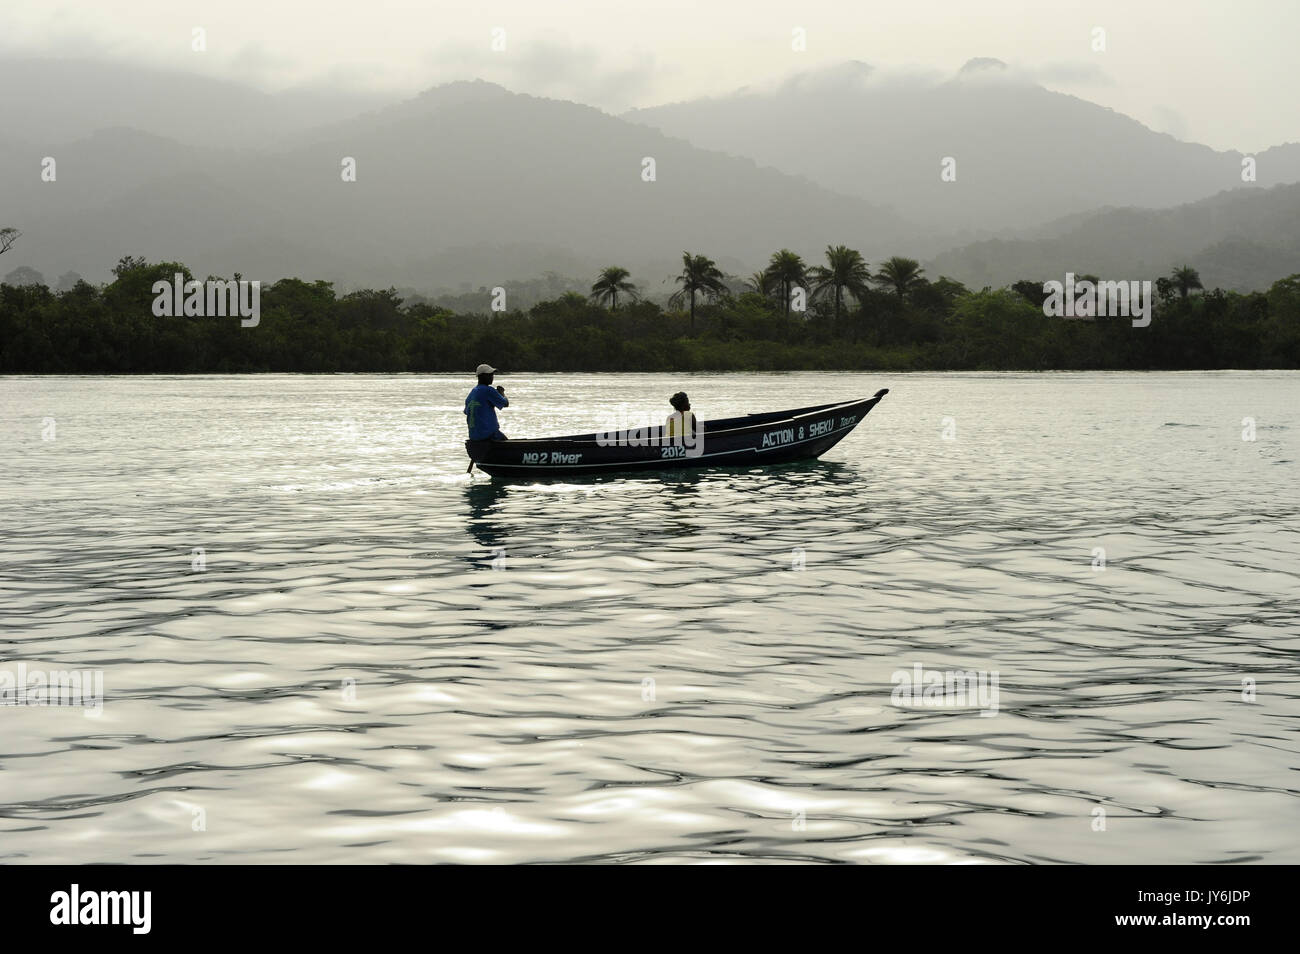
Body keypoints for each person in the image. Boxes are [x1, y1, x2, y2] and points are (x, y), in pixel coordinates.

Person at [465, 363, 509, 440]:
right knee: (507, 444)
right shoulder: (488, 390)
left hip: (474, 437)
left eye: (492, 375)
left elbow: (467, 412)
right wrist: (502, 393)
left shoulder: (471, 393)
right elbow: (505, 403)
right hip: (489, 434)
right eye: (489, 375)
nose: (492, 377)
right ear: (482, 376)